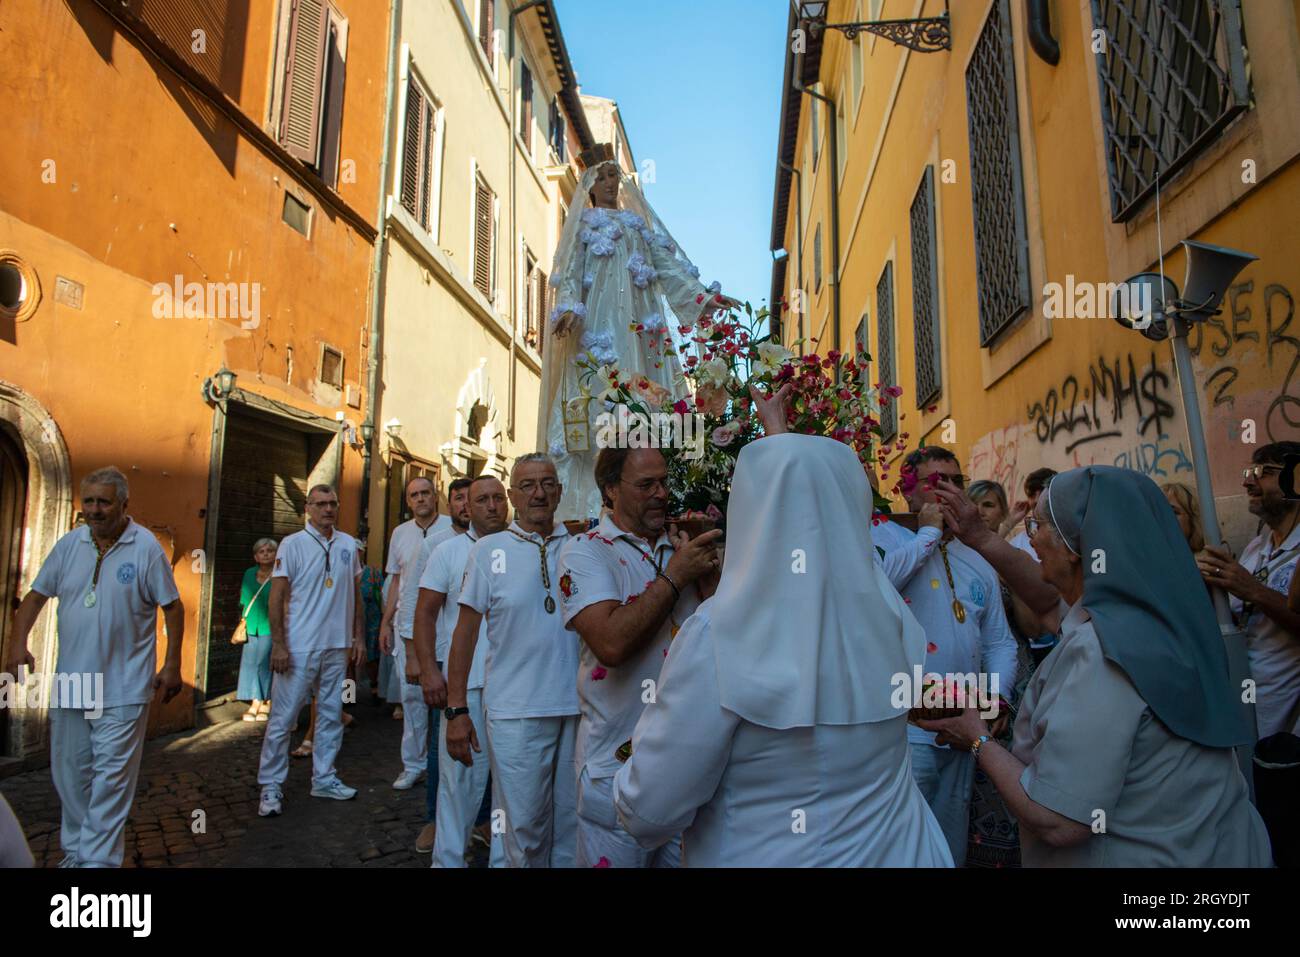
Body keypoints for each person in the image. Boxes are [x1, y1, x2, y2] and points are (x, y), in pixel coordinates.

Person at [611, 384, 951, 867]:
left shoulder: (720, 631)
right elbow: (809, 500)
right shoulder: (891, 615)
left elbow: (649, 812)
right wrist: (781, 438)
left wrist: (632, 761)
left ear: (747, 510)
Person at [919, 466, 1272, 867]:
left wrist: (976, 737)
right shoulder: (1160, 612)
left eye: (1037, 526)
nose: (1030, 539)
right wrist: (981, 538)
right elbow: (1052, 604)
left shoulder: (1102, 654)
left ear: (1074, 545)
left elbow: (1060, 820)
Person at [540, 144, 737, 522]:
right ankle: (590, 505)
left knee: (645, 397)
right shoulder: (582, 225)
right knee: (595, 397)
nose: (612, 183)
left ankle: (654, 485)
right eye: (604, 176)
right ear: (590, 183)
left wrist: (704, 296)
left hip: (637, 328)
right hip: (596, 329)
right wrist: (567, 309)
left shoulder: (637, 227)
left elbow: (667, 268)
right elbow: (568, 274)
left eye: (616, 175)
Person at [6, 466, 184, 867]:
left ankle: (98, 862)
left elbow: (172, 607)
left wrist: (171, 665)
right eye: (88, 501)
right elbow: (34, 597)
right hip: (73, 682)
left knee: (111, 781)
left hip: (124, 685)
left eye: (104, 501)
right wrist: (18, 645)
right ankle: (76, 852)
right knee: (69, 775)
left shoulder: (146, 548)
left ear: (124, 504)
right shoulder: (69, 545)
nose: (95, 509)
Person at [560, 446, 722, 867]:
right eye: (646, 484)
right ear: (611, 491)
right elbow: (611, 644)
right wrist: (678, 575)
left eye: (665, 482)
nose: (662, 493)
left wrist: (711, 584)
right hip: (614, 765)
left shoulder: (682, 546)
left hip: (688, 760)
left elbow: (725, 637)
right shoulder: (585, 551)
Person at [445, 453, 579, 867]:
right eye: (528, 485)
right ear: (513, 497)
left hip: (577, 709)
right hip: (515, 713)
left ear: (559, 491)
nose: (539, 492)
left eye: (548, 483)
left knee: (573, 826)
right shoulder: (488, 552)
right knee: (523, 831)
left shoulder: (580, 548)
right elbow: (464, 635)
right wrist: (456, 711)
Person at [890, 447, 1018, 866]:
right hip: (906, 734)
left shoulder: (979, 557)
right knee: (904, 848)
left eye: (954, 481)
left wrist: (997, 697)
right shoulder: (888, 545)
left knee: (950, 848)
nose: (947, 491)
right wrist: (927, 535)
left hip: (964, 731)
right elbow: (881, 587)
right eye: (934, 482)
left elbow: (999, 642)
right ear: (908, 493)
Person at [414, 475, 508, 866]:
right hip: (464, 687)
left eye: (497, 498)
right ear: (466, 505)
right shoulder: (447, 551)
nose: (490, 506)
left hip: (511, 689)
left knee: (510, 792)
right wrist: (428, 671)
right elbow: (424, 614)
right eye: (480, 499)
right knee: (457, 788)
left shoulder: (521, 548)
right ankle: (448, 859)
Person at [257, 484, 366, 817]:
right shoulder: (291, 545)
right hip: (299, 647)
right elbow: (276, 597)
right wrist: (278, 643)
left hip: (337, 647)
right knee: (283, 719)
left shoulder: (349, 544)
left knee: (332, 715)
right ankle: (271, 786)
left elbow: (356, 595)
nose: (328, 509)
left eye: (333, 503)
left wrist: (358, 637)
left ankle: (324, 777)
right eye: (320, 504)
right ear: (308, 508)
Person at [1198, 441, 1300, 740]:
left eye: (1264, 472)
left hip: (1286, 719)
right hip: (1246, 703)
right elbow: (1236, 615)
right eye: (1250, 471)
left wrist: (1251, 589)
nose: (1247, 481)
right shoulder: (1257, 547)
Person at [406, 476, 474, 853]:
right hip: (447, 665)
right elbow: (418, 607)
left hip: (491, 669)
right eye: (459, 499)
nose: (466, 504)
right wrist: (420, 660)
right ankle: (435, 818)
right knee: (440, 745)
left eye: (472, 497)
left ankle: (480, 819)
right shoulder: (436, 545)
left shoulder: (502, 542)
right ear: (450, 503)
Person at [380, 477, 451, 790]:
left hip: (444, 624)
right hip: (406, 627)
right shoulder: (400, 533)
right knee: (411, 699)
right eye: (414, 495)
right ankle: (413, 764)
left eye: (425, 493)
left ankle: (446, 762)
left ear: (435, 497)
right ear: (408, 501)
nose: (421, 499)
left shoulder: (452, 527)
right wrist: (385, 622)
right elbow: (396, 581)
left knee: (447, 695)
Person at [236, 538, 277, 721]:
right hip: (251, 625)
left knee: (264, 663)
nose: (266, 553)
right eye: (262, 551)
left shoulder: (279, 574)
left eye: (270, 550)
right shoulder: (249, 573)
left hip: (271, 626)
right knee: (250, 664)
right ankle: (255, 700)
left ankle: (264, 700)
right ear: (256, 556)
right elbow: (243, 599)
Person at [1003, 468, 1057, 556]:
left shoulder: (1070, 537)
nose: (1036, 500)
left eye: (1043, 492)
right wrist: (1009, 523)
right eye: (1031, 495)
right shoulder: (1018, 543)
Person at [1161, 481, 1207, 555]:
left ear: (1193, 520)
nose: (1163, 518)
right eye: (1159, 512)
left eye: (1173, 512)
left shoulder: (1209, 561)